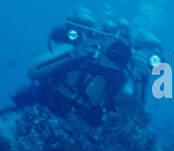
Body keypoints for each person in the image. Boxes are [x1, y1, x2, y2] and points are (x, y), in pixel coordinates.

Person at [11, 7, 162, 125]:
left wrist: (140, 79)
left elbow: (135, 116)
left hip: (72, 142)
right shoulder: (77, 53)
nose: (114, 54)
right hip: (35, 115)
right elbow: (33, 71)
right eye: (111, 47)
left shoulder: (117, 83)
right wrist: (73, 54)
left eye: (121, 52)